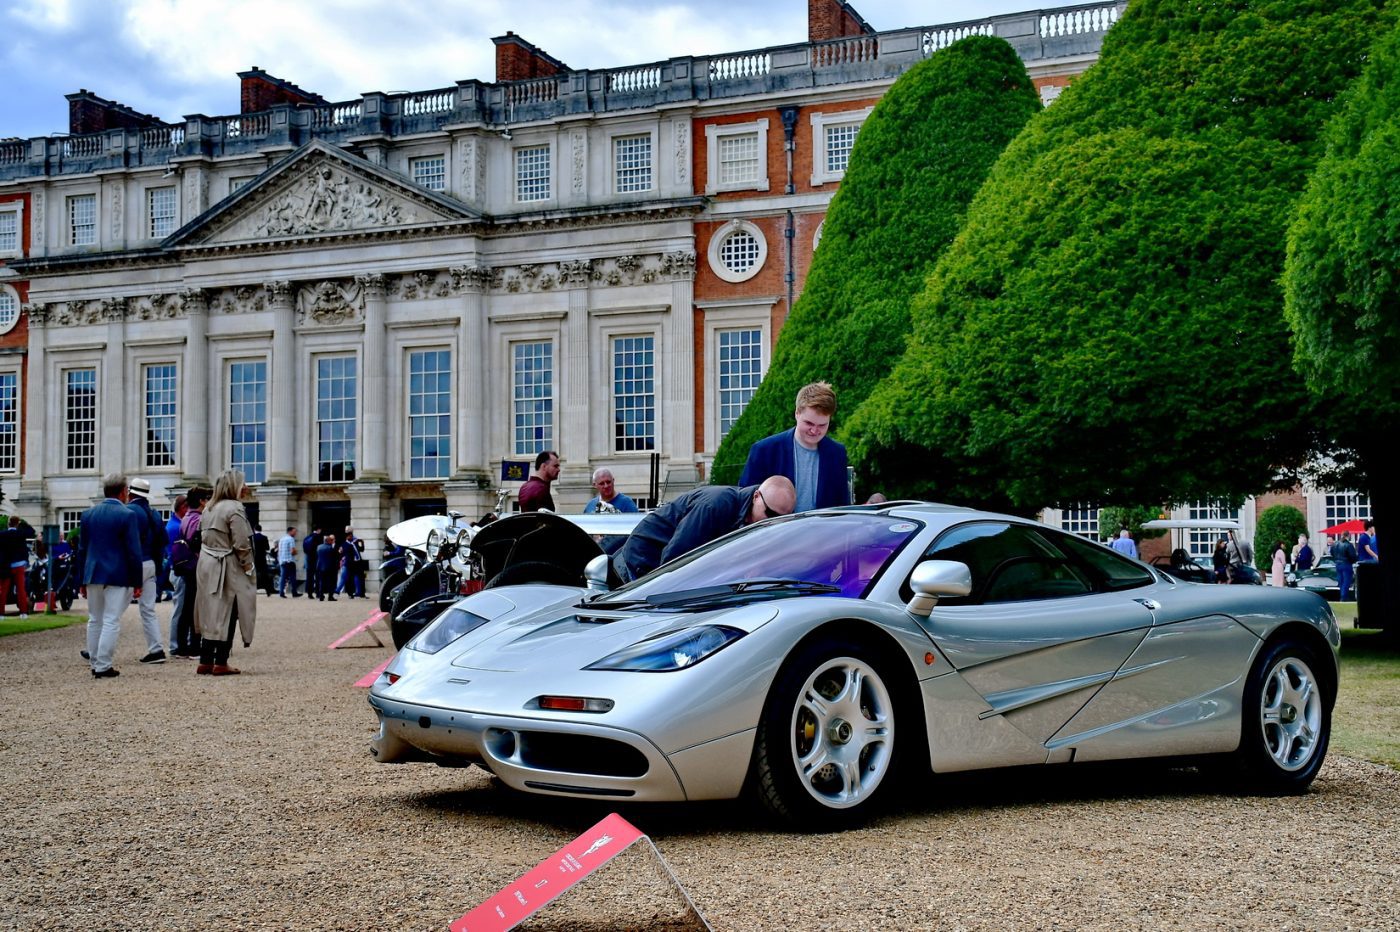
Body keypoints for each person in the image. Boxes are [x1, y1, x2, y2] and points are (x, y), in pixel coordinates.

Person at [613, 476, 796, 584]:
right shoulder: (715, 506)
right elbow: (675, 559)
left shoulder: (757, 520)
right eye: (770, 513)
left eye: (781, 519)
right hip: (642, 563)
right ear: (756, 496)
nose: (774, 522)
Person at [740, 381, 851, 512]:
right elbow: (745, 502)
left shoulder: (837, 453)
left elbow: (842, 504)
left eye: (822, 425)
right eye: (809, 423)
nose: (815, 431)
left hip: (823, 530)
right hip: (776, 530)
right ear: (797, 413)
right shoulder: (764, 450)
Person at [79, 473, 144, 678]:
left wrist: (81, 578)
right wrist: (137, 581)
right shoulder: (127, 515)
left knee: (94, 619)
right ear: (123, 492)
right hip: (118, 573)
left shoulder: (88, 515)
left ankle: (95, 662)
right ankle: (103, 665)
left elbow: (81, 550)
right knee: (110, 620)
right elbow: (133, 552)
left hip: (92, 573)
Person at [193, 469, 257, 676]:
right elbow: (241, 543)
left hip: (206, 563)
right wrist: (249, 566)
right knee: (229, 610)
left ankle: (205, 659)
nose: (245, 487)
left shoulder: (208, 508)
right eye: (242, 483)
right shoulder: (235, 509)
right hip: (227, 565)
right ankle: (221, 661)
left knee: (209, 610)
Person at [126, 478, 170, 664]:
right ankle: (156, 649)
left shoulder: (129, 511)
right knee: (148, 609)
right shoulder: (154, 513)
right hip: (151, 563)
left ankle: (96, 649)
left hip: (134, 564)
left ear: (130, 493)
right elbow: (163, 540)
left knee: (112, 610)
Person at [173, 486, 210, 658]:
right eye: (206, 498)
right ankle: (195, 645)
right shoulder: (199, 519)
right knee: (195, 607)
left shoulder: (186, 517)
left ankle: (182, 645)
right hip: (196, 565)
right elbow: (198, 543)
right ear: (202, 501)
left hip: (187, 565)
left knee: (187, 607)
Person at [585, 467, 639, 554]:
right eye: (602, 483)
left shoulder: (627, 503)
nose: (606, 486)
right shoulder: (590, 505)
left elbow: (636, 533)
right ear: (595, 485)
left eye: (608, 482)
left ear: (613, 480)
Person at [0, 516, 35, 619]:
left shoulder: (2, 534)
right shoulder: (20, 533)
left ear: (8, 524)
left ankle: (1, 614)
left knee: (3, 590)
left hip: (6, 565)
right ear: (17, 524)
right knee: (21, 589)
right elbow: (31, 531)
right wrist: (22, 523)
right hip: (19, 564)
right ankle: (23, 613)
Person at [164, 495, 188, 645]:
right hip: (179, 571)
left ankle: (179, 642)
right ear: (183, 508)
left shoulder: (175, 524)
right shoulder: (175, 527)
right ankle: (174, 644)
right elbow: (174, 553)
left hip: (178, 570)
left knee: (180, 608)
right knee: (179, 609)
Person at [337, 527, 366, 599]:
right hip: (350, 563)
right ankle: (338, 591)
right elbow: (342, 552)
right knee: (346, 578)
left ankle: (358, 593)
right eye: (349, 535)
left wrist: (362, 543)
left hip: (357, 562)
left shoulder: (355, 542)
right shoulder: (345, 544)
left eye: (351, 535)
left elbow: (361, 550)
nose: (351, 536)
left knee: (357, 578)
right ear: (347, 537)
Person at [1332, 531, 1358, 601]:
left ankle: (1343, 596)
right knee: (1346, 582)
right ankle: (1343, 597)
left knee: (1341, 582)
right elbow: (1352, 556)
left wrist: (1336, 559)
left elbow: (1332, 552)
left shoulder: (1335, 544)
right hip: (1346, 564)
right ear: (1348, 536)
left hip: (1338, 564)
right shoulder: (1348, 545)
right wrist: (1353, 560)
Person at [251, 524, 275, 596]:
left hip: (254, 558)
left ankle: (253, 589)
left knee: (253, 574)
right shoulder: (264, 537)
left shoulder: (252, 537)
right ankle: (268, 591)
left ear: (254, 529)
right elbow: (267, 548)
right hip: (262, 558)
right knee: (265, 575)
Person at [277, 527, 300, 597]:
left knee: (282, 577)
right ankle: (294, 592)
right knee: (293, 577)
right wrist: (296, 552)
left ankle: (281, 592)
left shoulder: (282, 539)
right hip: (289, 560)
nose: (295, 533)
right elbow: (292, 551)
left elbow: (279, 550)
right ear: (290, 532)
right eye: (294, 531)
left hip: (282, 560)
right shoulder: (291, 539)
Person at [316, 533, 339, 601]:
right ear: (328, 541)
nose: (332, 541)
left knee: (321, 582)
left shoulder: (319, 547)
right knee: (331, 582)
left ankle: (321, 596)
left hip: (320, 566)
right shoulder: (330, 548)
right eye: (331, 540)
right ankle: (330, 596)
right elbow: (334, 557)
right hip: (330, 567)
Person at [303, 526, 323, 598]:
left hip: (309, 559)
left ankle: (309, 593)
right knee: (318, 577)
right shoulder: (318, 537)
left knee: (309, 577)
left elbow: (305, 550)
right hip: (316, 559)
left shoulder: (307, 538)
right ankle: (318, 592)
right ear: (318, 529)